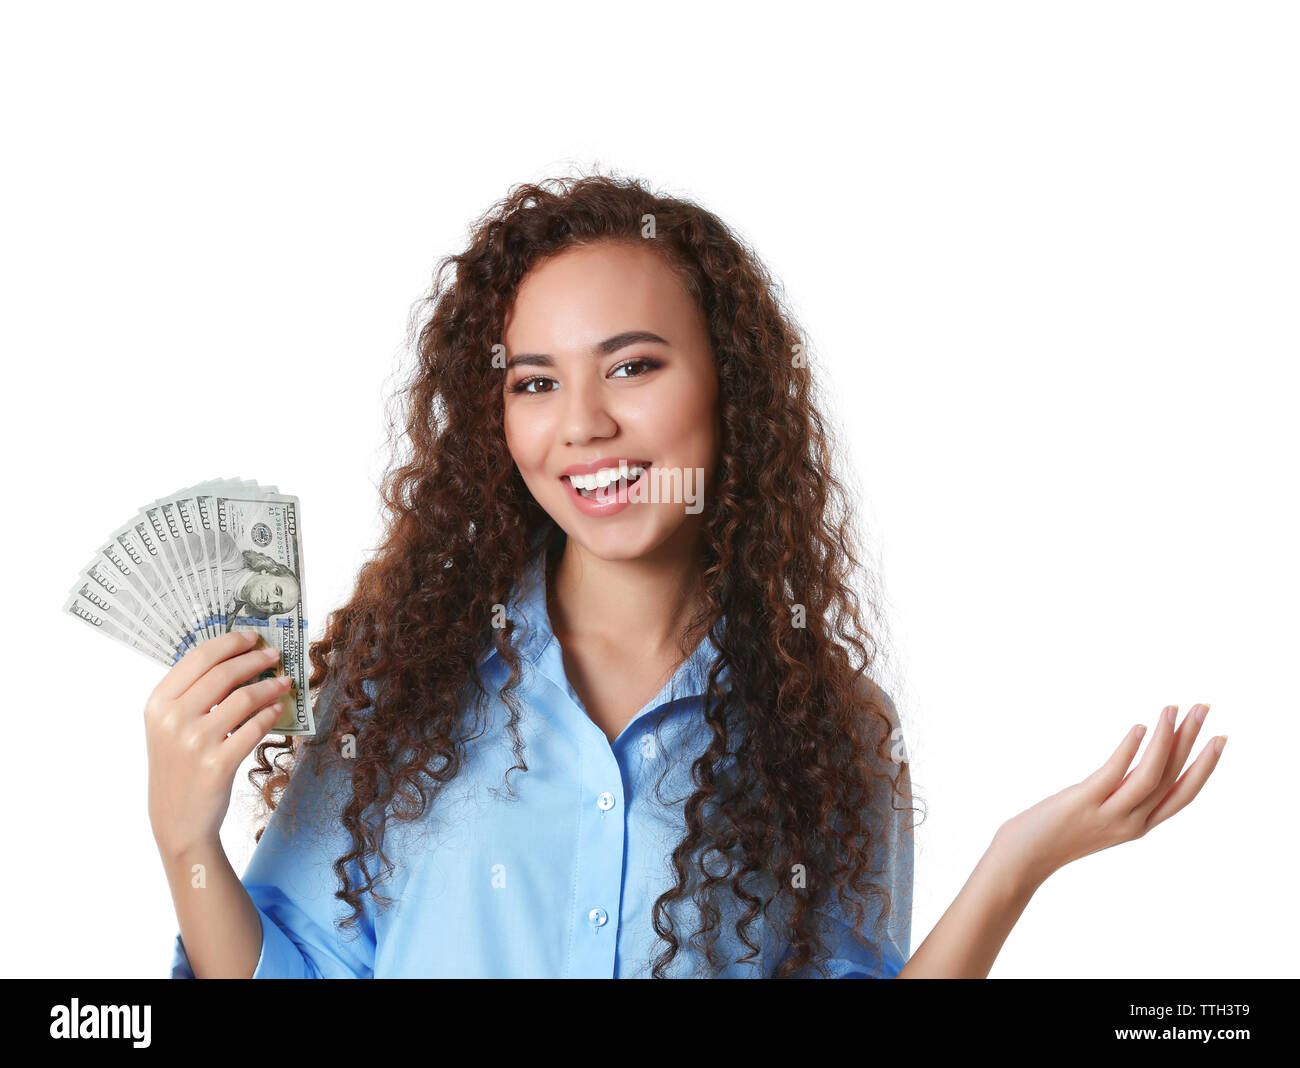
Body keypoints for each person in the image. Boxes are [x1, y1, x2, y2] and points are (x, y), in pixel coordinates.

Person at [147, 173, 1225, 979]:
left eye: (632, 365)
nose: (583, 425)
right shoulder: (407, 689)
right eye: (535, 382)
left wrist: (1012, 866)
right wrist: (183, 837)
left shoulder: (830, 732)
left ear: (731, 386)